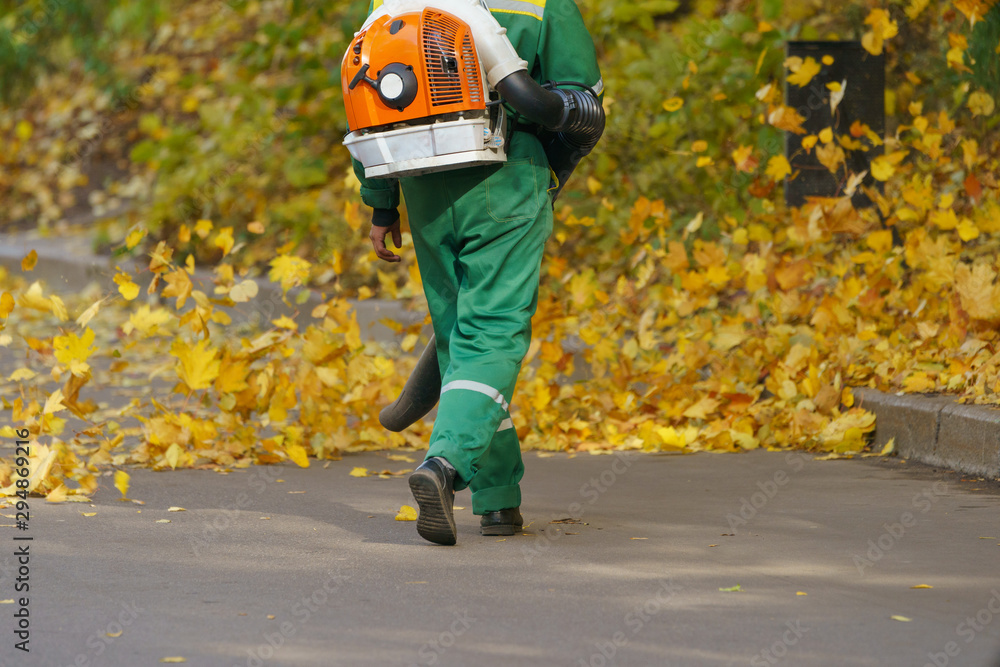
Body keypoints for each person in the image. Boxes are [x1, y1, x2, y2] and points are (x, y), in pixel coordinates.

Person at [352, 0, 603, 545]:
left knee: (456, 340)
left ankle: (497, 500)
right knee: (491, 331)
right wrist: (551, 166)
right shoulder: (542, 3)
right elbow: (583, 98)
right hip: (506, 171)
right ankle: (444, 467)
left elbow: (366, 100)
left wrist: (380, 204)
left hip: (420, 182)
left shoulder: (387, 3)